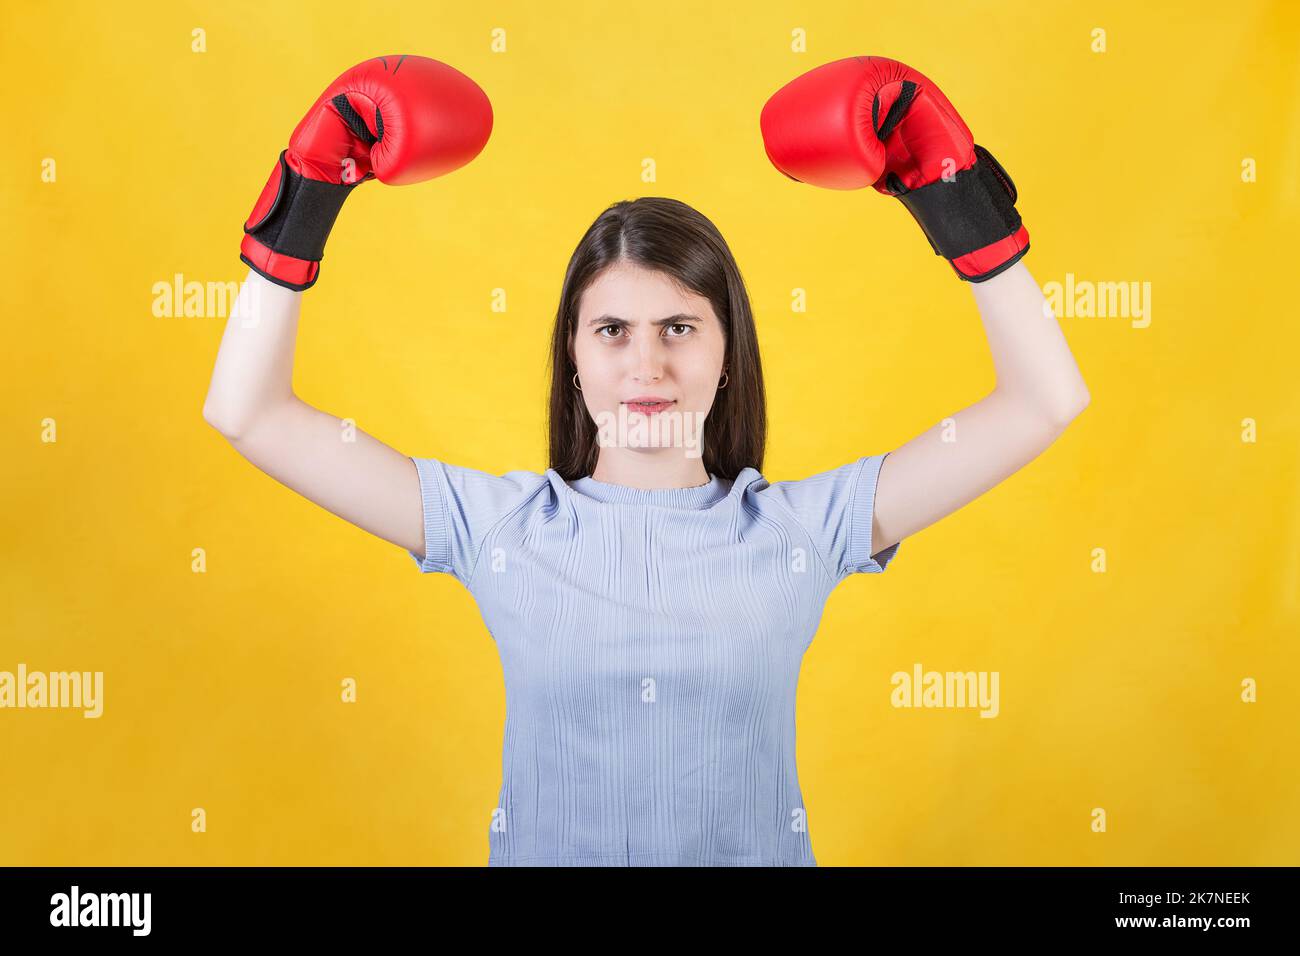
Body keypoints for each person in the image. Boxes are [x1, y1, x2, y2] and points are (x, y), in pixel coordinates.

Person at [204, 54, 1089, 867]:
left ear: (726, 350)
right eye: (613, 330)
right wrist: (305, 202)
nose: (646, 366)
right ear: (576, 356)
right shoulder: (499, 527)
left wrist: (964, 210)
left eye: (679, 327)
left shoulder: (801, 530)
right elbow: (250, 415)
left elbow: (1042, 403)